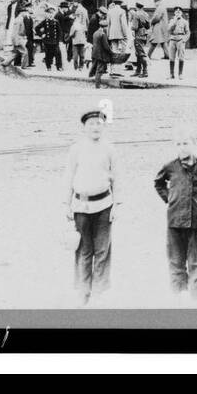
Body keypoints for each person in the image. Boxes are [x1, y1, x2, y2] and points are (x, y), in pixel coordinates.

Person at [154, 134, 197, 301]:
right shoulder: (169, 166)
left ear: (194, 144)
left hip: (196, 222)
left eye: (186, 143)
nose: (182, 147)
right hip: (174, 221)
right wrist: (169, 199)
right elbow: (158, 183)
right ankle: (179, 298)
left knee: (196, 264)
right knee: (176, 263)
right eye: (178, 143)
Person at [65, 109, 118, 306]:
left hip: (104, 205)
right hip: (80, 206)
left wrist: (117, 206)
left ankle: (99, 290)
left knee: (102, 250)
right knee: (83, 250)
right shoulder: (76, 149)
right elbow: (69, 177)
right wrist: (66, 204)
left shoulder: (110, 149)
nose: (95, 127)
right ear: (84, 127)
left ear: (104, 126)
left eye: (99, 123)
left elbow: (117, 179)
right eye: (91, 124)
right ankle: (83, 290)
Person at [35, 6, 64, 71]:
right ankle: (48, 66)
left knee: (58, 53)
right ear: (47, 14)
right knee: (48, 54)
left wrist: (59, 40)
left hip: (55, 40)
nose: (51, 14)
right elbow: (37, 28)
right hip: (47, 41)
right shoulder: (45, 21)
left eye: (52, 13)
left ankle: (59, 66)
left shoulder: (56, 21)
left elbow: (60, 31)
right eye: (49, 13)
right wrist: (41, 35)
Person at [106, 0, 129, 69]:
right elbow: (123, 24)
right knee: (122, 50)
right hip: (120, 33)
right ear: (120, 4)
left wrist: (108, 34)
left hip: (112, 33)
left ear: (114, 3)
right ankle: (119, 67)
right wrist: (125, 34)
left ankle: (113, 68)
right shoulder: (122, 11)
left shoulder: (109, 11)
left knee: (114, 50)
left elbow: (108, 24)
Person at [168, 6, 190, 81]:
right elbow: (169, 30)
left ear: (182, 13)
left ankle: (180, 74)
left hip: (181, 39)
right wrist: (174, 21)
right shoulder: (171, 20)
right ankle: (171, 74)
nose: (178, 12)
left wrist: (184, 40)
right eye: (176, 11)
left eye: (179, 11)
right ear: (174, 13)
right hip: (172, 39)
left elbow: (187, 32)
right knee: (171, 57)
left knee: (181, 57)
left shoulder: (185, 22)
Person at [130, 2, 151, 77]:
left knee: (141, 53)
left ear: (136, 6)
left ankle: (145, 72)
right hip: (144, 35)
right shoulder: (146, 14)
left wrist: (131, 27)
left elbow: (135, 27)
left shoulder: (136, 14)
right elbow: (148, 26)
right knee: (139, 53)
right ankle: (138, 70)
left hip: (138, 35)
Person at [89, 24, 113, 88]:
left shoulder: (95, 33)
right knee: (99, 70)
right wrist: (111, 52)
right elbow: (106, 46)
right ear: (104, 27)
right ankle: (97, 86)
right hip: (101, 54)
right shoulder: (103, 34)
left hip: (94, 53)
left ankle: (97, 84)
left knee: (96, 68)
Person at [69, 5, 89, 71]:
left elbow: (86, 33)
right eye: (77, 17)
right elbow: (70, 35)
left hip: (82, 42)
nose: (79, 18)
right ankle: (75, 67)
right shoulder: (74, 25)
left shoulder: (83, 26)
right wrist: (74, 31)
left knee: (82, 56)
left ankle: (81, 66)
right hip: (75, 42)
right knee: (75, 56)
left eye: (79, 17)